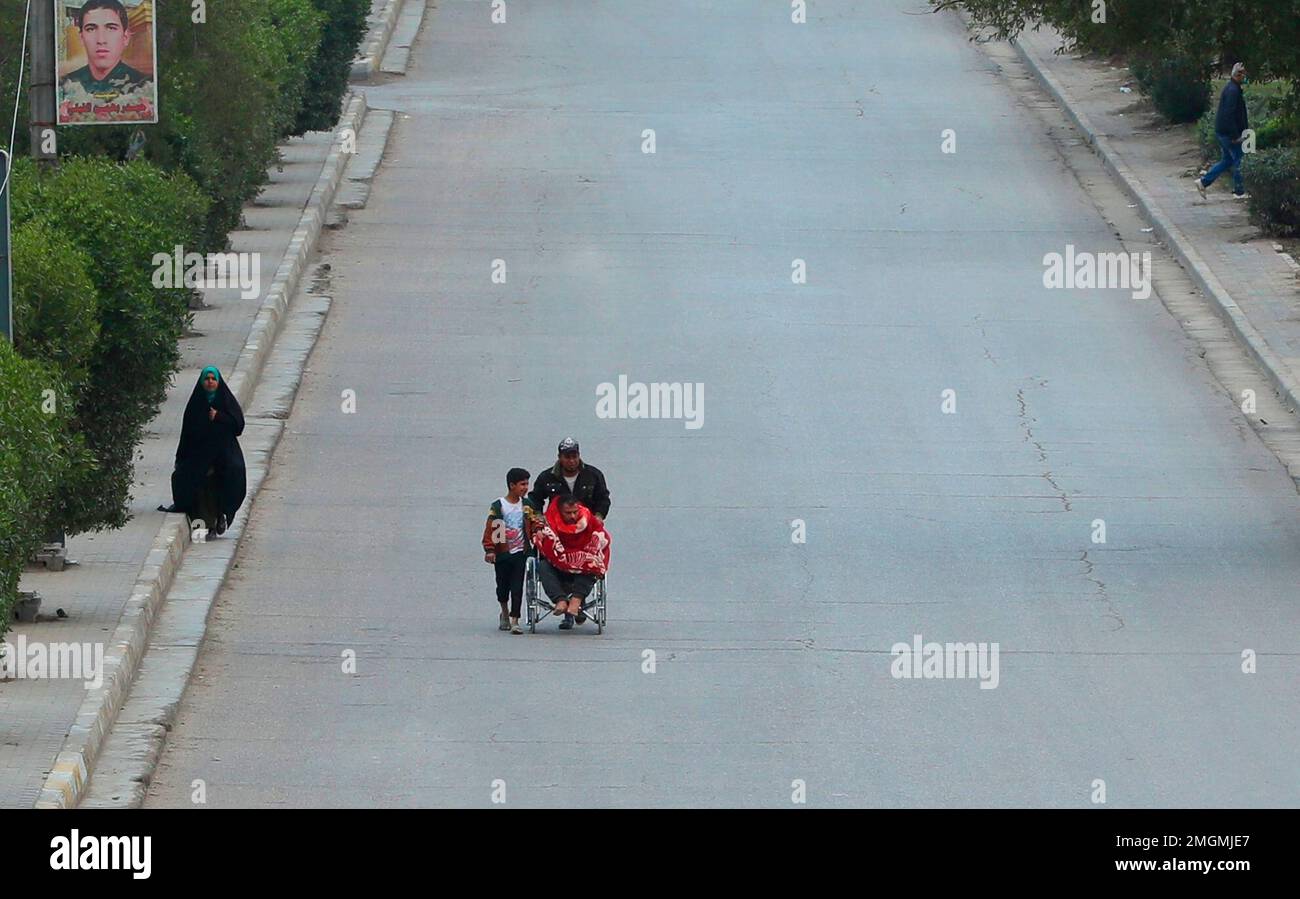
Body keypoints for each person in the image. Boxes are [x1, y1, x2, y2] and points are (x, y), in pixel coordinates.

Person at [158, 366, 246, 536]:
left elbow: (238, 426)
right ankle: (204, 524)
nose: (210, 382)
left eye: (213, 379)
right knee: (191, 479)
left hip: (224, 454)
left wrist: (219, 417)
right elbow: (187, 434)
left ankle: (221, 515)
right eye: (207, 379)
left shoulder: (225, 400)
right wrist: (181, 457)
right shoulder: (196, 403)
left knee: (232, 474)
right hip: (200, 454)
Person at [531, 494, 611, 630]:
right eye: (568, 513)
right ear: (560, 512)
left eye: (575, 512)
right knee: (543, 566)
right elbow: (545, 542)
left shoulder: (587, 518)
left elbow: (600, 536)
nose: (573, 516)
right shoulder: (549, 521)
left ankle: (576, 599)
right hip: (558, 562)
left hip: (582, 563)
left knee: (592, 564)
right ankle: (560, 600)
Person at [60, 0, 149, 96]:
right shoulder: (66, 85)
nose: (101, 40)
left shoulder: (144, 85)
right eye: (91, 29)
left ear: (125, 37)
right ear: (82, 38)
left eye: (111, 28)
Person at [482, 468, 532, 635]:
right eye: (522, 484)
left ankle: (515, 620)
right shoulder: (499, 506)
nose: (525, 488)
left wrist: (539, 530)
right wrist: (490, 549)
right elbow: (491, 528)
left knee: (517, 586)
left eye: (527, 484)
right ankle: (504, 610)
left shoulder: (526, 506)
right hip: (503, 553)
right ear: (512, 485)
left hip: (520, 553)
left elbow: (536, 520)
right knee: (503, 587)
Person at [1196, 62, 1250, 201]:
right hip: (1229, 134)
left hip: (1223, 131)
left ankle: (1204, 182)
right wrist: (1235, 136)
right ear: (1238, 75)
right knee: (1239, 160)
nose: (1245, 76)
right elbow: (1229, 114)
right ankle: (1239, 191)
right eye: (1243, 73)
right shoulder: (1233, 90)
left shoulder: (1232, 88)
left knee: (1226, 160)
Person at [526, 437, 610, 521]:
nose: (572, 461)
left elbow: (603, 498)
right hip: (556, 526)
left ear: (579, 455)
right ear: (559, 457)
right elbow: (535, 499)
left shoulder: (593, 475)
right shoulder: (547, 477)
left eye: (574, 457)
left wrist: (599, 516)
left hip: (587, 525)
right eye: (567, 457)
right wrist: (538, 516)